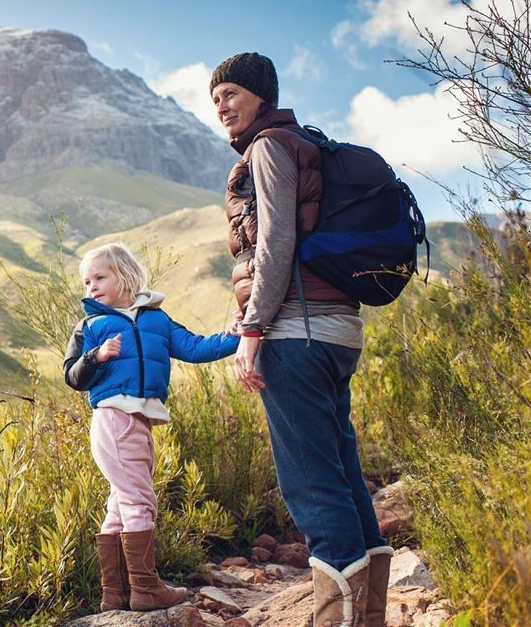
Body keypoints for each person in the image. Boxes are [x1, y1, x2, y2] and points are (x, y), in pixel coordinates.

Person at [210, 52, 392, 627]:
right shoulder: (303, 144)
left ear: (261, 96)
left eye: (231, 94)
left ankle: (339, 619)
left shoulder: (270, 147)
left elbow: (276, 242)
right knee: (342, 476)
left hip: (297, 333)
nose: (221, 106)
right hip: (336, 333)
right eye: (215, 99)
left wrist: (253, 328)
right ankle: (368, 617)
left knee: (312, 484)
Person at [63, 242, 238, 612]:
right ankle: (146, 589)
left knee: (121, 503)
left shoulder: (157, 319)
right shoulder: (90, 326)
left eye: (99, 277)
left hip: (138, 422)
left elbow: (195, 348)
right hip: (114, 419)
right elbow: (73, 376)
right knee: (140, 501)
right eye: (86, 282)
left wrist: (236, 335)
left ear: (126, 276)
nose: (91, 287)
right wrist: (97, 356)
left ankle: (115, 593)